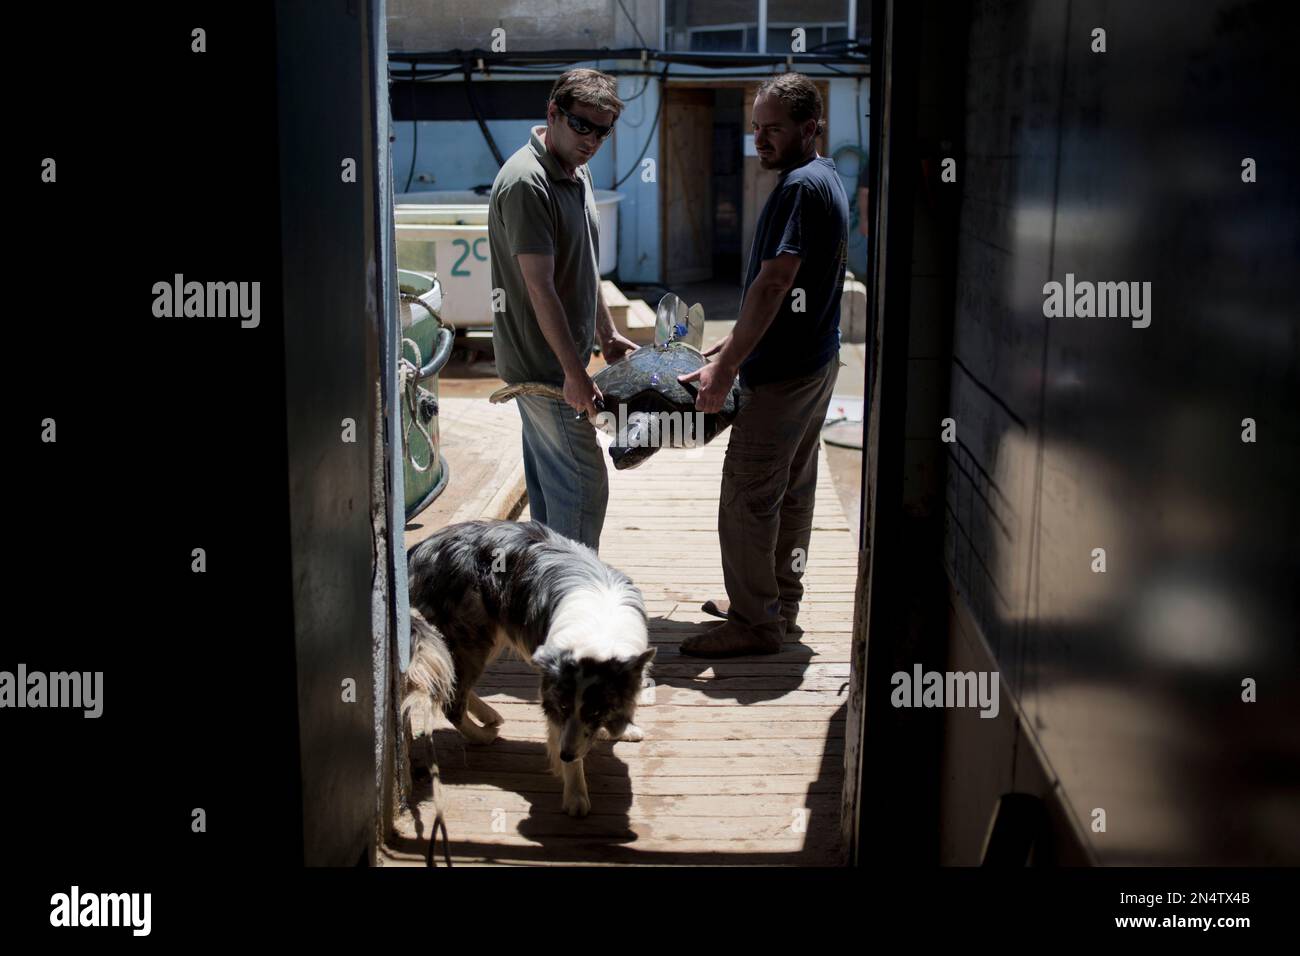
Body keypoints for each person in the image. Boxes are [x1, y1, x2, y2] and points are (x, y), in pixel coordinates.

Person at [677, 73, 848, 657]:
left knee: (748, 495)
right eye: (756, 128)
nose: (761, 139)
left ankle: (754, 622)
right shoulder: (825, 178)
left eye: (773, 129)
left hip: (783, 375)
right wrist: (727, 348)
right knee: (791, 490)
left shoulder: (800, 187)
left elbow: (774, 284)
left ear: (811, 127)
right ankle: (774, 602)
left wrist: (725, 371)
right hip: (815, 363)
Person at [488, 69, 639, 551]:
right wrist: (575, 375)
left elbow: (583, 265)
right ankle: (571, 606)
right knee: (581, 484)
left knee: (553, 496)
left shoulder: (576, 170)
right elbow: (541, 288)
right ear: (552, 113)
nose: (592, 140)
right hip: (542, 369)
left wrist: (607, 334)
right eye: (582, 126)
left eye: (603, 130)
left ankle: (541, 607)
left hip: (562, 363)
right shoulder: (527, 183)